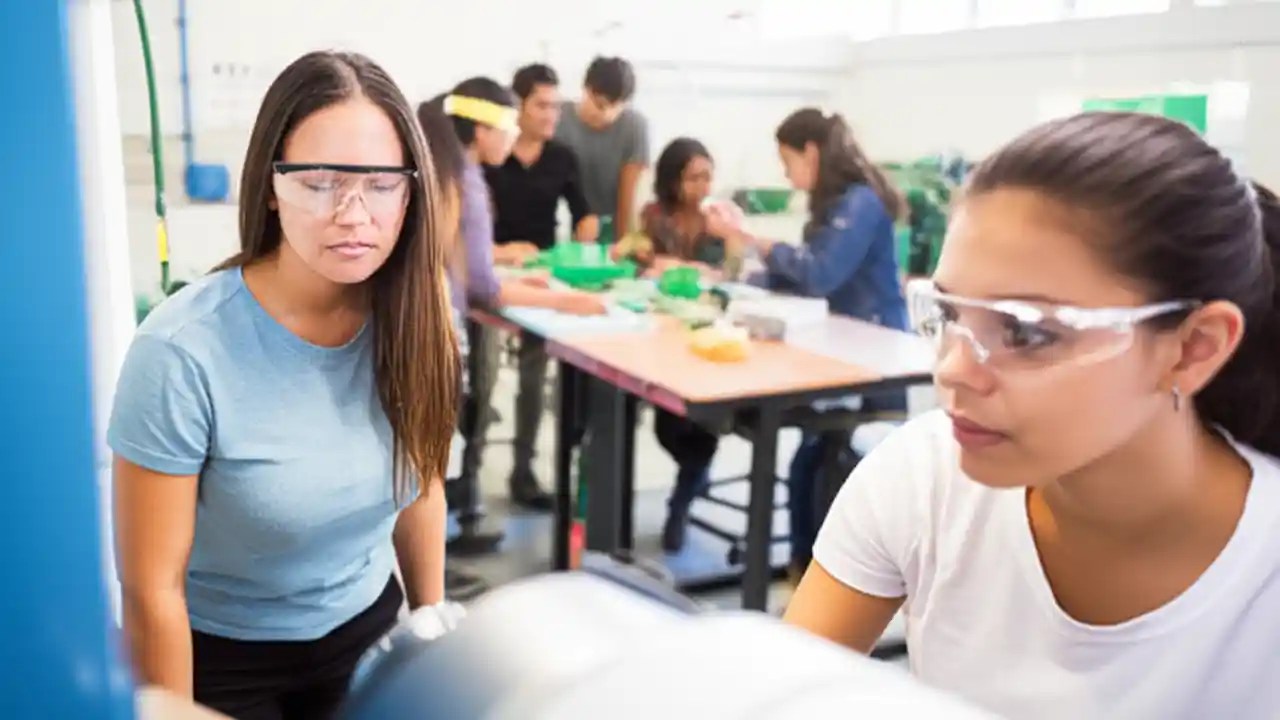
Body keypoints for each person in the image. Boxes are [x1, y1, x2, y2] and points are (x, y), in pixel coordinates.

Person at [785, 112, 1280, 719]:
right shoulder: (921, 478)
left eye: (1024, 330)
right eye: (949, 314)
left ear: (1193, 347)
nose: (953, 370)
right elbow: (781, 696)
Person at [110, 51, 458, 718]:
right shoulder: (182, 351)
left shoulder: (420, 317)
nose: (353, 214)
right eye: (320, 182)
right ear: (272, 185)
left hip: (368, 631)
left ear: (410, 189)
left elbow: (425, 482)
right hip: (223, 657)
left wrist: (433, 636)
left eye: (381, 184)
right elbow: (151, 589)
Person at [704, 108, 908, 579]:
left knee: (832, 463)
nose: (785, 173)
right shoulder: (834, 204)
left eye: (787, 160)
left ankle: (828, 572)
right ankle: (804, 566)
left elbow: (820, 273)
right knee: (811, 459)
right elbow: (805, 277)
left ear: (811, 153)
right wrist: (746, 274)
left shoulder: (859, 203)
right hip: (841, 349)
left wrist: (755, 240)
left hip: (873, 356)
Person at [422, 77, 605, 518]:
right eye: (507, 126)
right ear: (483, 130)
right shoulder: (468, 183)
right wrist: (569, 302)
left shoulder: (446, 171)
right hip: (444, 328)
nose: (513, 136)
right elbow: (486, 290)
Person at [478, 64, 598, 507]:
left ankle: (523, 470)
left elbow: (583, 211)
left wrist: (586, 230)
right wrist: (504, 251)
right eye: (542, 105)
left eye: (556, 106)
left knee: (534, 373)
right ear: (519, 105)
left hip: (539, 282)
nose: (552, 115)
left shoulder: (563, 157)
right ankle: (467, 475)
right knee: (481, 376)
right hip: (490, 277)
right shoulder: (491, 154)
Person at [626, 138, 737, 552]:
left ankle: (681, 501)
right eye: (693, 177)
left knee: (703, 424)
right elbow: (634, 257)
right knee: (668, 426)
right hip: (663, 332)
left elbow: (735, 272)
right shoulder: (654, 217)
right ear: (673, 180)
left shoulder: (720, 218)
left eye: (708, 176)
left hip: (712, 332)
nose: (703, 186)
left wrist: (730, 239)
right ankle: (694, 473)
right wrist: (647, 260)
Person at [554, 56, 649, 240]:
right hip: (569, 220)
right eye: (599, 105)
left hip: (612, 223)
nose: (605, 114)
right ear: (585, 89)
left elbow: (628, 199)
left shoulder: (634, 126)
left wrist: (622, 247)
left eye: (615, 107)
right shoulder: (559, 119)